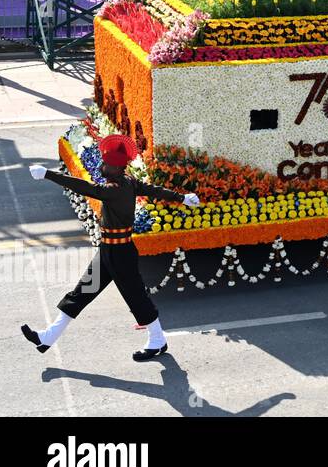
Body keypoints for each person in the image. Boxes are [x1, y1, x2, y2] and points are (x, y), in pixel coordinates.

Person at [21, 134, 199, 361]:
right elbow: (155, 190)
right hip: (109, 251)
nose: (102, 166)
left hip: (121, 253)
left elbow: (83, 186)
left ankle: (157, 340)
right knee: (83, 291)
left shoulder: (115, 189)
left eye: (106, 164)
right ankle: (48, 336)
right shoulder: (128, 183)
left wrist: (48, 174)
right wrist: (181, 198)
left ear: (116, 168)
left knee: (135, 296)